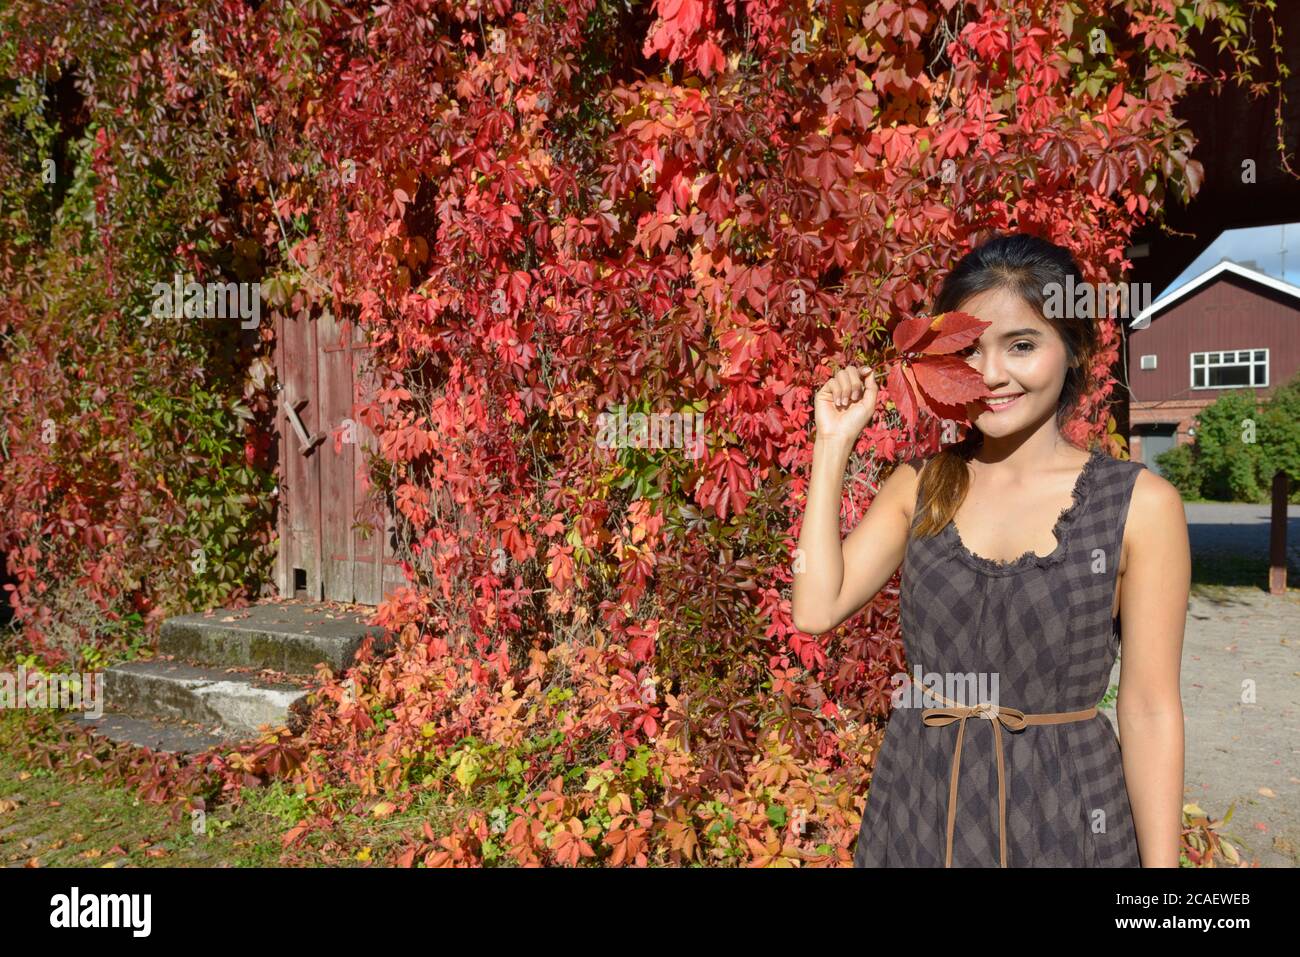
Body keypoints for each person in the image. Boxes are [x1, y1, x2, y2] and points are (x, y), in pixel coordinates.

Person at [791, 233, 1188, 867]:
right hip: (922, 806)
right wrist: (832, 444)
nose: (993, 374)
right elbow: (815, 608)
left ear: (1075, 348)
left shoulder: (1139, 506)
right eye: (970, 352)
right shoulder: (920, 487)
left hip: (1066, 814)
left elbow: (1148, 708)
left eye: (1022, 345)